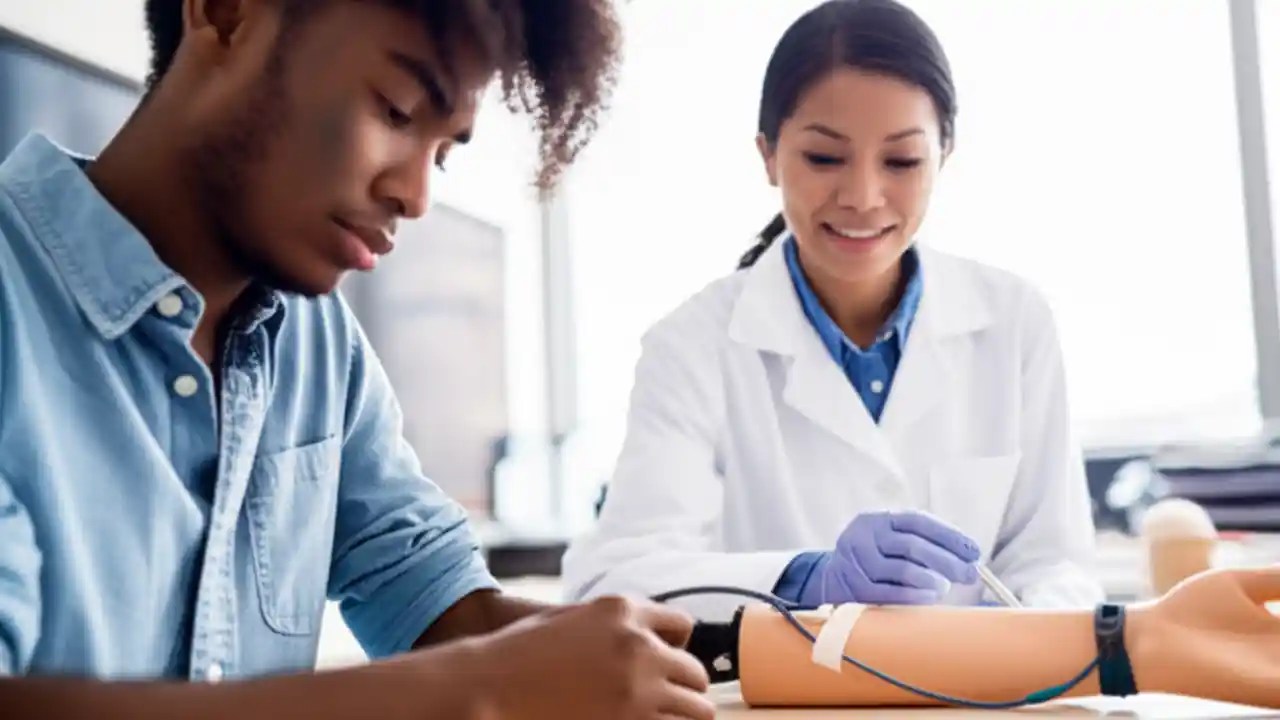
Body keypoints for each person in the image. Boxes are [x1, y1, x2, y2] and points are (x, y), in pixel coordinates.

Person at [0, 1, 714, 719]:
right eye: (397, 112)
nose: (416, 195)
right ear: (224, 14)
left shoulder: (317, 341)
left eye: (444, 152)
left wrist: (663, 653)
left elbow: (432, 600)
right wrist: (480, 690)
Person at [562, 0, 1103, 621]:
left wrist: (1029, 646)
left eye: (901, 161)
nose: (863, 197)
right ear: (769, 156)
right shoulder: (691, 347)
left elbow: (1056, 564)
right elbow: (620, 578)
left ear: (942, 159)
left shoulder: (1014, 323)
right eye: (824, 158)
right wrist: (804, 579)